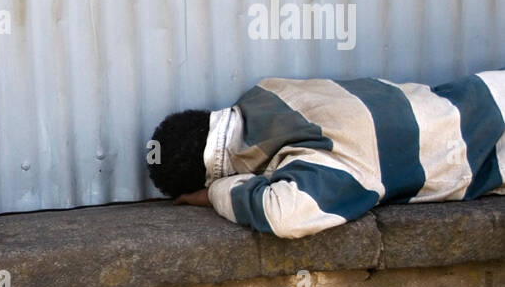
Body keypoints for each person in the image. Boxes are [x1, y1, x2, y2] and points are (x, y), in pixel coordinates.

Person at [146, 70, 505, 238]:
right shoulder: (269, 93)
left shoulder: (318, 158)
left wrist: (214, 195)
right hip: (486, 90)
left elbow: (285, 216)